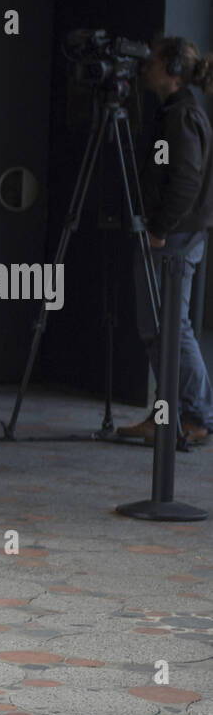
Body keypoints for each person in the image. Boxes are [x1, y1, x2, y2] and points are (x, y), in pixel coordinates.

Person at [118, 35, 213, 445]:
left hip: (172, 238)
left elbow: (187, 179)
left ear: (172, 70)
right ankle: (168, 415)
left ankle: (194, 416)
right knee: (159, 329)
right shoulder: (172, 113)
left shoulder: (182, 116)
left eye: (153, 61)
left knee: (171, 329)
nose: (145, 67)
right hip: (172, 234)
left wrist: (160, 227)